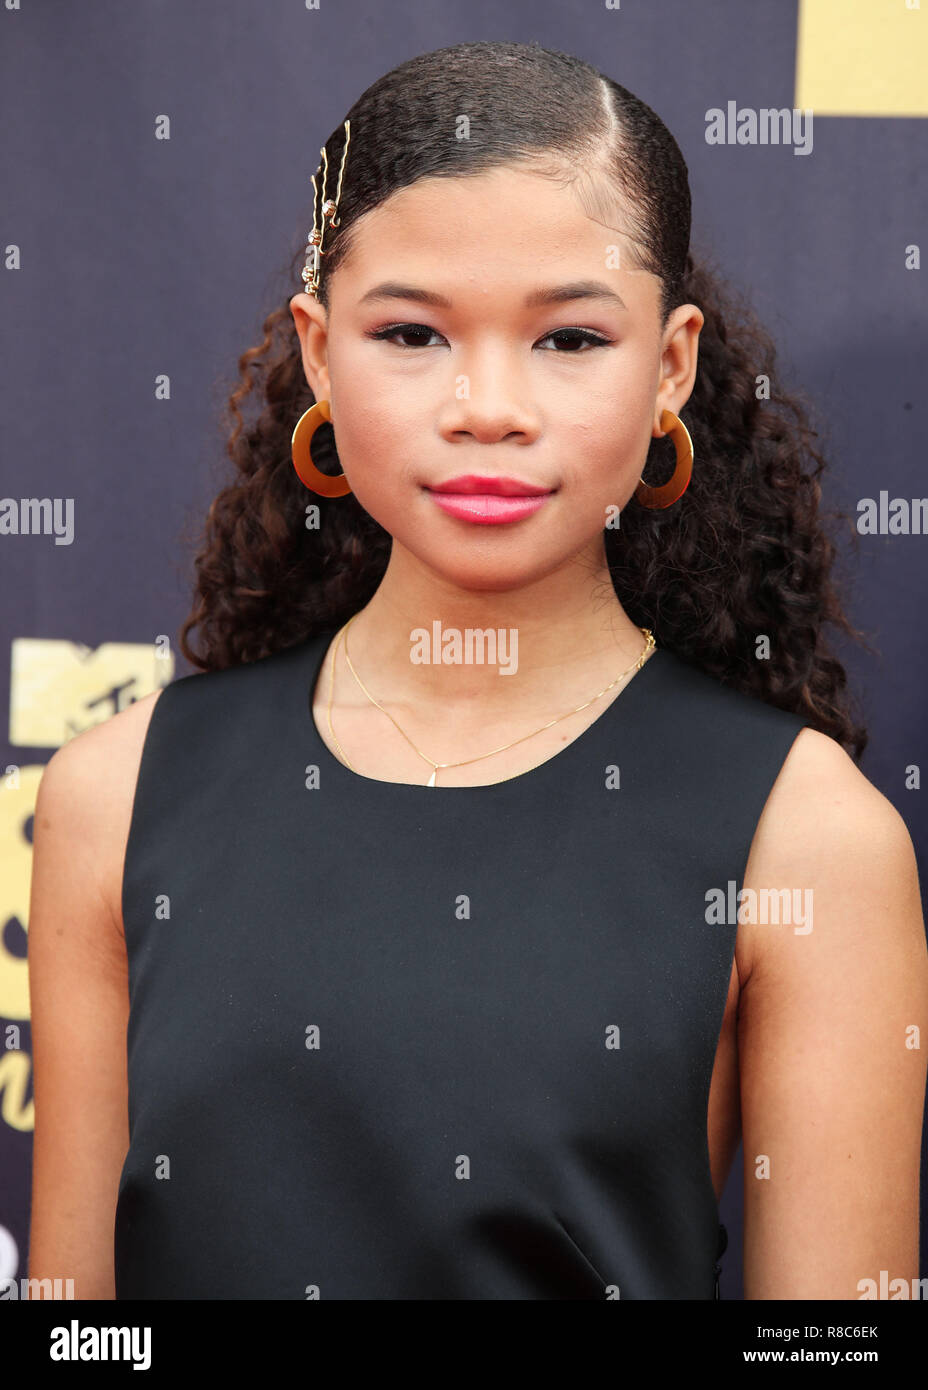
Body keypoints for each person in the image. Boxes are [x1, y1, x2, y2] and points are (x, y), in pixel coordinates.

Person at [28, 40, 927, 1300]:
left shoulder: (808, 838)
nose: (487, 406)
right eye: (410, 332)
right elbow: (77, 1326)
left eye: (567, 339)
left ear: (669, 365)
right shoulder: (113, 798)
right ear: (321, 353)